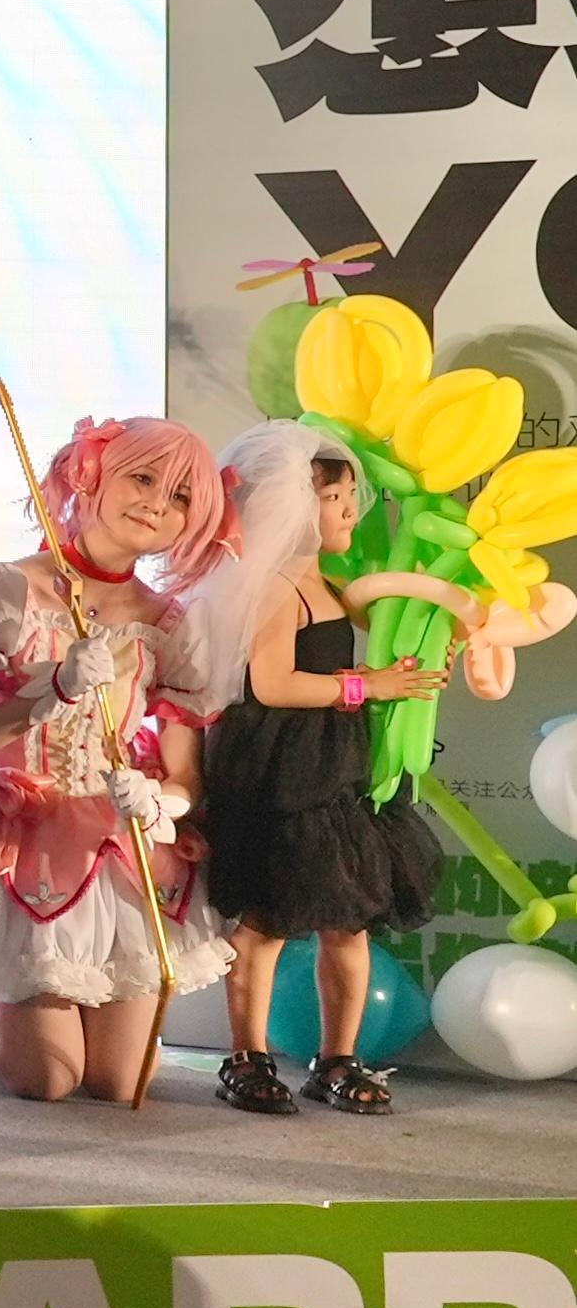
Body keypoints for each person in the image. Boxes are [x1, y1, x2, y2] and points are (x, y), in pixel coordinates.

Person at [0, 417, 232, 1106]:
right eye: (141, 478)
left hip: (113, 843)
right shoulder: (4, 591)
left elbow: (185, 773)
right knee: (46, 1079)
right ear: (89, 474)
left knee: (119, 1083)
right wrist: (51, 691)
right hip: (15, 838)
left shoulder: (169, 622)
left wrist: (163, 801)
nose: (156, 504)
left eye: (180, 497)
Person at [186, 420, 456, 1117]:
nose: (349, 512)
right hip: (281, 768)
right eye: (335, 499)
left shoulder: (329, 583)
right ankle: (245, 1056)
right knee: (265, 919)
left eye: (348, 498)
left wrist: (421, 660)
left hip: (332, 766)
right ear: (292, 508)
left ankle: (337, 1057)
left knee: (349, 917)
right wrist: (365, 686)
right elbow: (272, 682)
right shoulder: (279, 586)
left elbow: (385, 637)